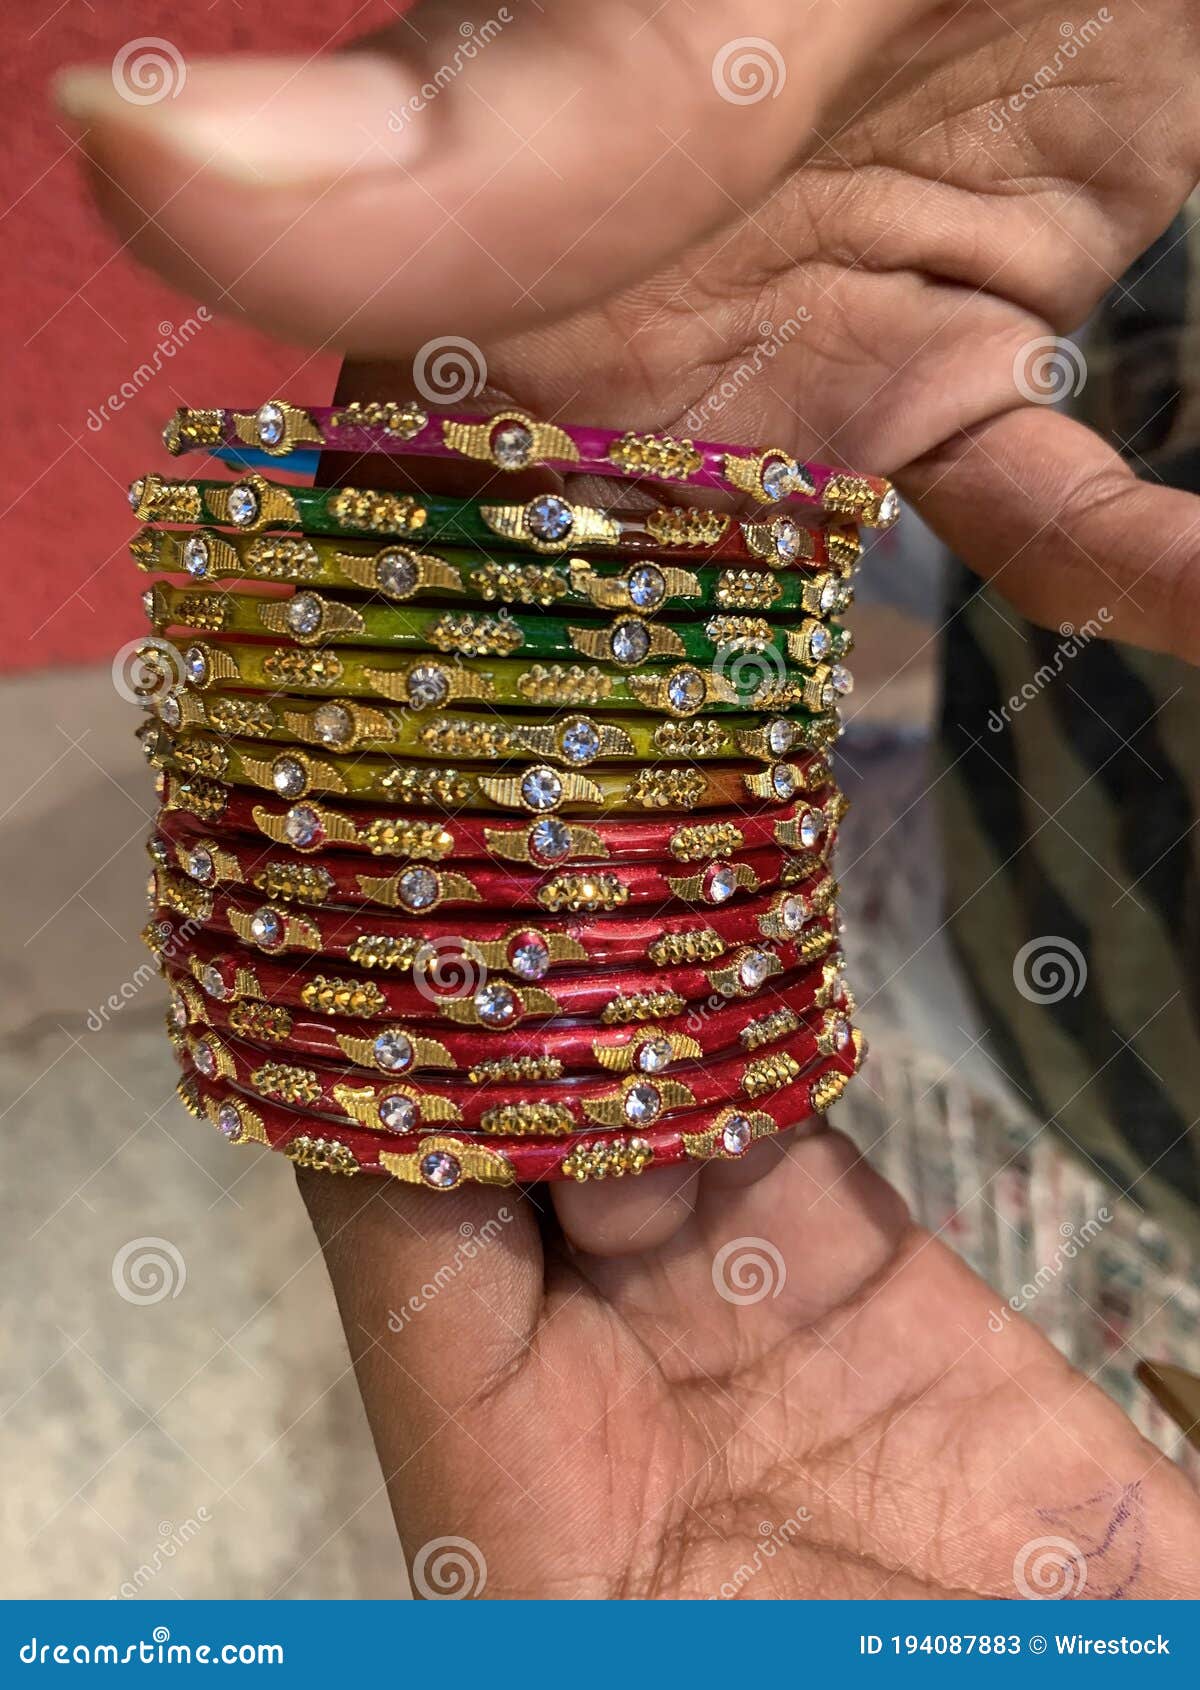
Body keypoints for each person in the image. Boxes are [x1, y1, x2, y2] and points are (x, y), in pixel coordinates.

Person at [57, 0, 1200, 1598]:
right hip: (1099, 386)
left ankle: (788, 891)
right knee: (911, 514)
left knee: (882, 887)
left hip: (1085, 1020)